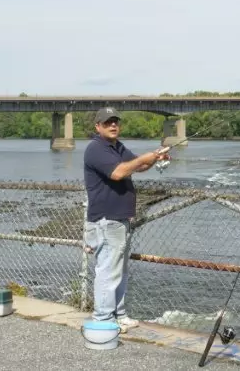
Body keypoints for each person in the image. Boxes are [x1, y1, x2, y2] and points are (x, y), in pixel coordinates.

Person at [83, 106, 170, 332]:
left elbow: (138, 166)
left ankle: (119, 315)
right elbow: (119, 173)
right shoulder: (95, 149)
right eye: (108, 122)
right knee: (108, 271)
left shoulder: (117, 147)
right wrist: (146, 157)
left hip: (121, 219)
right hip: (106, 220)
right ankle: (103, 319)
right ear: (98, 126)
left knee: (120, 271)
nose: (113, 126)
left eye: (116, 122)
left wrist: (155, 156)